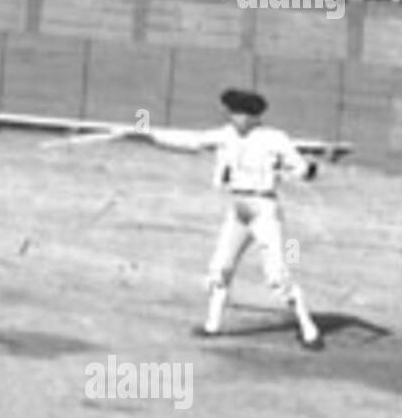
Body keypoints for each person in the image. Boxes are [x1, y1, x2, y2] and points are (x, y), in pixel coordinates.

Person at [123, 89, 324, 349]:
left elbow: (301, 169)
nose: (235, 118)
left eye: (240, 113)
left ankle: (309, 330)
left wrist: (306, 170)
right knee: (220, 267)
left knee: (276, 275)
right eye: (233, 112)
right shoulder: (225, 134)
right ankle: (212, 325)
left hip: (264, 209)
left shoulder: (275, 139)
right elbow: (193, 140)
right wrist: (151, 135)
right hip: (238, 208)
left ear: (253, 116)